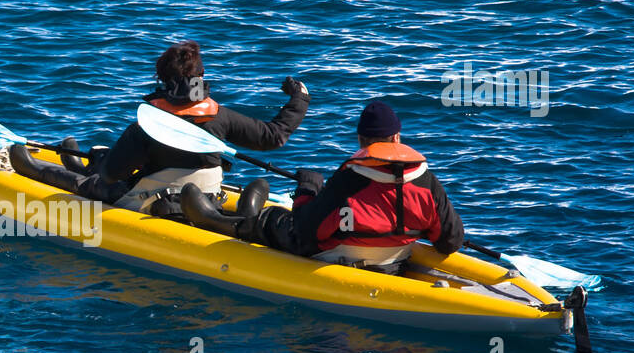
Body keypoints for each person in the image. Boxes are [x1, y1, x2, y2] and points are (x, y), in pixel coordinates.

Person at [184, 100, 463, 272]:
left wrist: (307, 190)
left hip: (340, 258)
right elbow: (450, 240)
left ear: (361, 141)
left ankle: (217, 220)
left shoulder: (350, 180)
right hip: (394, 259)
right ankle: (248, 212)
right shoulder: (428, 182)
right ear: (398, 137)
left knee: (278, 221)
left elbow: (305, 233)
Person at [64, 41, 309, 213]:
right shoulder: (220, 117)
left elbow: (111, 175)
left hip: (151, 203)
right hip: (208, 200)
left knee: (95, 180)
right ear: (200, 79)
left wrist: (102, 163)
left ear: (162, 81)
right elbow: (273, 136)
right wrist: (299, 99)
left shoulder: (145, 127)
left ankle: (60, 170)